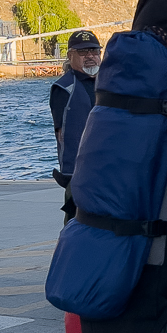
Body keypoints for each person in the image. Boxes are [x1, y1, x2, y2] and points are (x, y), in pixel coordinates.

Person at [49, 28, 102, 220]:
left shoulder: (110, 83)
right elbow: (62, 133)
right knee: (76, 223)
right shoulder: (63, 88)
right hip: (79, 172)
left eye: (94, 51)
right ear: (70, 55)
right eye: (82, 52)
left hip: (108, 167)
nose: (90, 56)